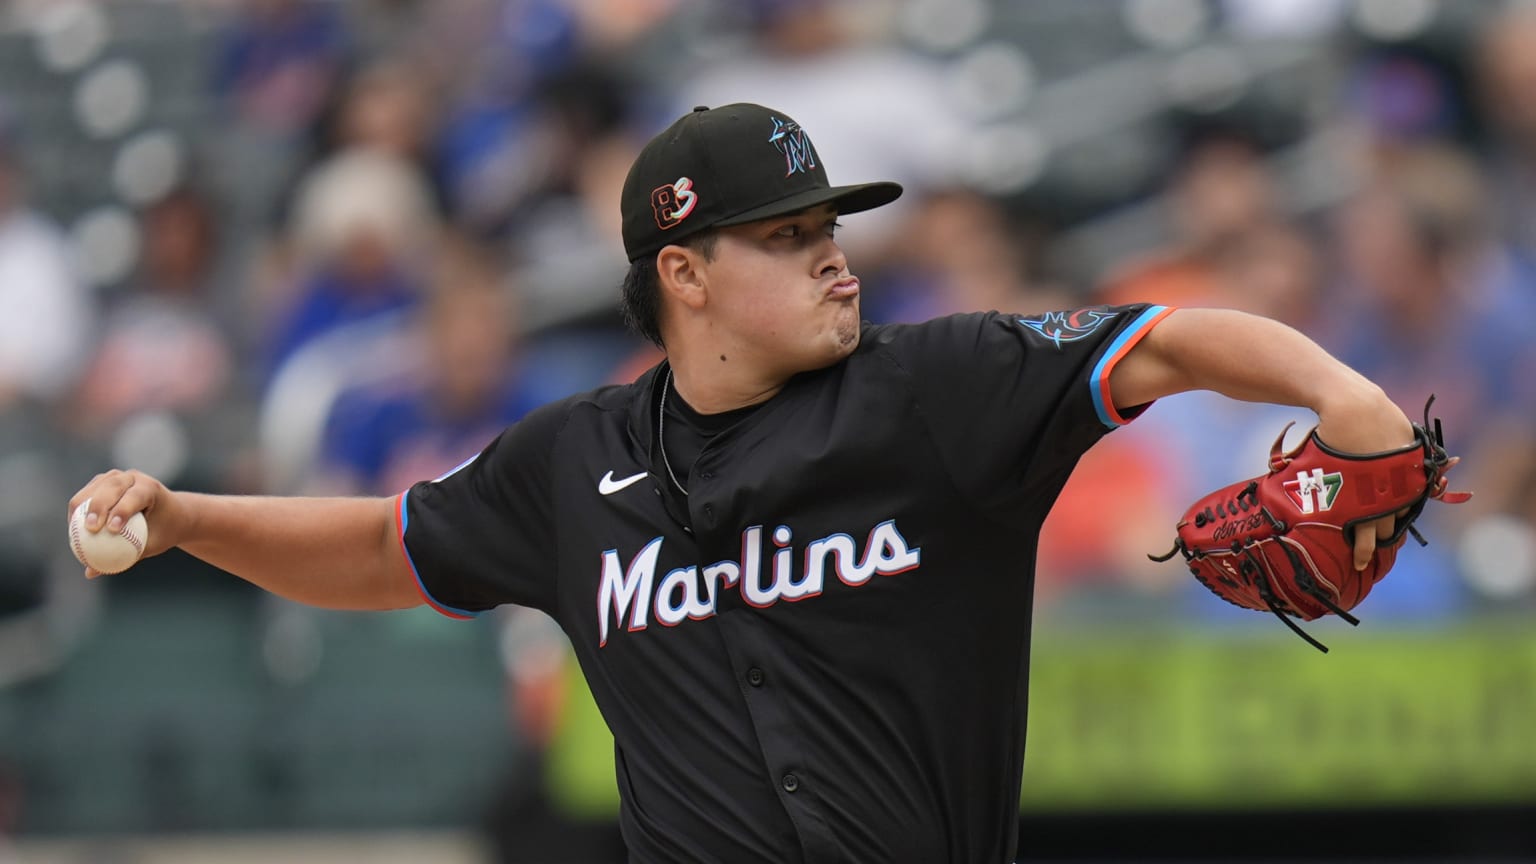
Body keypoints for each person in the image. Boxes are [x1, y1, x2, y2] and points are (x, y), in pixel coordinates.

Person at [70, 103, 1420, 863]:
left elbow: (1163, 338)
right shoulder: (570, 464)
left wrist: (1342, 400)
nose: (836, 259)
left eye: (831, 229)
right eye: (788, 238)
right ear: (686, 272)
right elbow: (378, 547)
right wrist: (186, 519)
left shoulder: (937, 388)